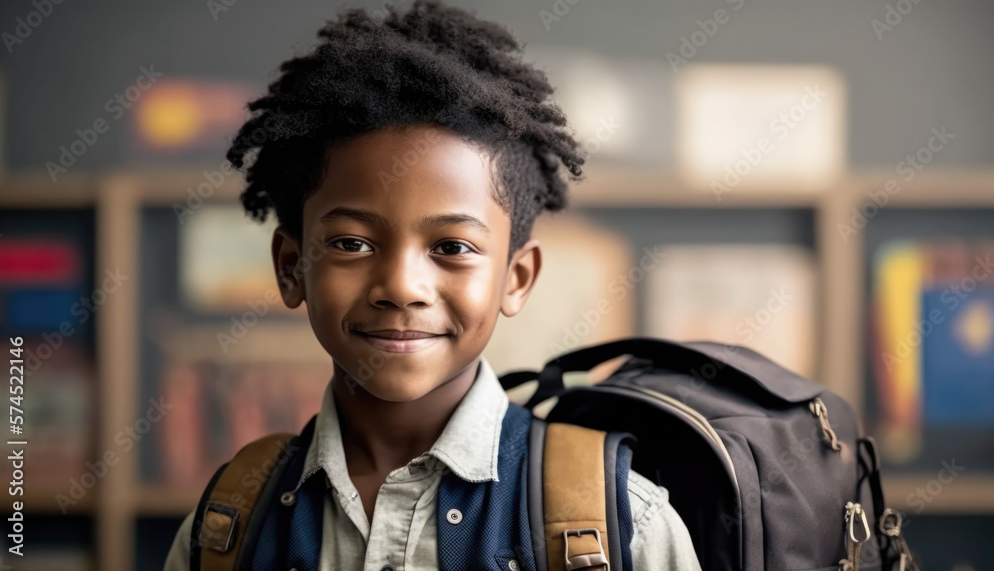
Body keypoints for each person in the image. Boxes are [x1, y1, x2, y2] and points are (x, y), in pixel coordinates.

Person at [163, 1, 701, 568]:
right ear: (292, 266)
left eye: (452, 248)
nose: (401, 286)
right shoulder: (228, 525)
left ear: (516, 280)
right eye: (352, 243)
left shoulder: (623, 523)